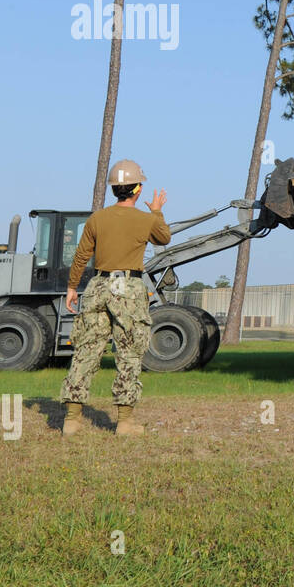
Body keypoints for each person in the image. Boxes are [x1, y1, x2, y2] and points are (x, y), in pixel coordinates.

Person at [59, 160, 170, 437]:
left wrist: (73, 287)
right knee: (129, 354)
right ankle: (125, 423)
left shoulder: (97, 218)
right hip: (129, 289)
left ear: (114, 190)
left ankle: (71, 421)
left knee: (86, 350)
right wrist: (156, 211)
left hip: (98, 285)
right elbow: (163, 238)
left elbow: (82, 254)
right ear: (137, 190)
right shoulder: (146, 220)